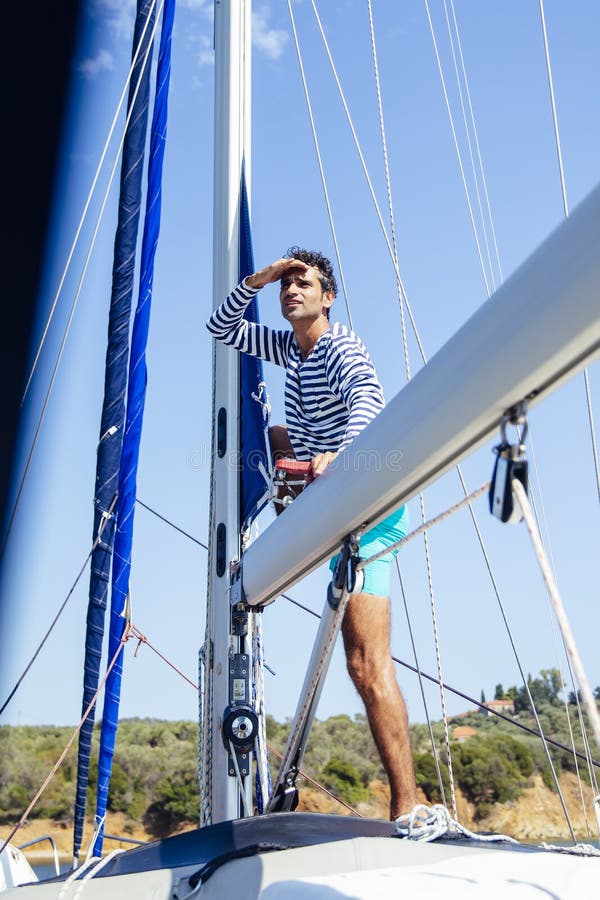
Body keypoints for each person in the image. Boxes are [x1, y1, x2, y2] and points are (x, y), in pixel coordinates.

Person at [207, 247, 418, 818]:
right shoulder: (287, 349)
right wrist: (259, 278)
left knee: (366, 665)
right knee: (275, 435)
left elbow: (369, 406)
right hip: (328, 509)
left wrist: (337, 455)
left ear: (328, 297)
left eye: (303, 283)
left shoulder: (340, 346)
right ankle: (286, 516)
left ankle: (409, 806)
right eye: (286, 285)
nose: (291, 291)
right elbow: (221, 327)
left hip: (368, 506)